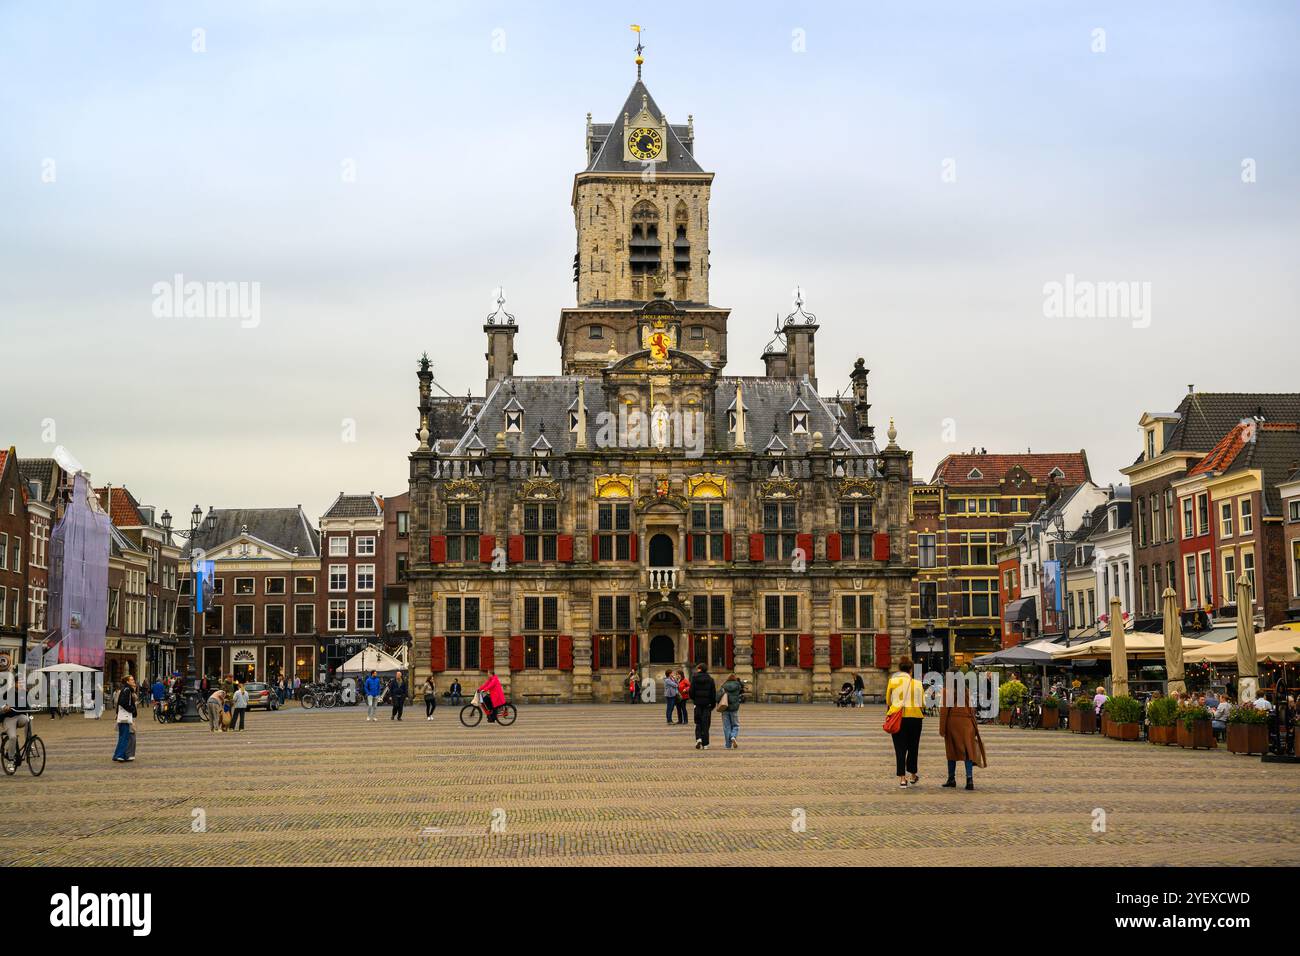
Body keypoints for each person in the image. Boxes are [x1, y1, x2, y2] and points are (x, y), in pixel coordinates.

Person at [939, 679, 986, 790]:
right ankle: (969, 779)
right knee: (968, 751)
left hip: (953, 723)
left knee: (951, 750)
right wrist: (974, 726)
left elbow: (944, 711)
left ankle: (951, 778)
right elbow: (972, 709)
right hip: (967, 723)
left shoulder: (946, 691)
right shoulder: (966, 691)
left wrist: (942, 729)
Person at [886, 657, 924, 788]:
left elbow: (888, 701)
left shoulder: (892, 682)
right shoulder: (918, 684)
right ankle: (913, 775)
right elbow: (922, 704)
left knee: (900, 749)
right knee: (913, 747)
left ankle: (902, 778)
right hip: (915, 718)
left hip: (898, 718)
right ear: (911, 670)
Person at [689, 663, 716, 750]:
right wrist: (712, 704)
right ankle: (705, 744)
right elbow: (713, 693)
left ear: (699, 669)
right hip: (707, 704)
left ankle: (698, 738)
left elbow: (691, 692)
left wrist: (694, 699)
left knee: (698, 722)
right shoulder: (710, 679)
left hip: (698, 704)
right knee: (706, 723)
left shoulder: (694, 678)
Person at [112, 675, 138, 762]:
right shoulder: (127, 690)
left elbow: (120, 702)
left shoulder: (125, 690)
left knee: (122, 736)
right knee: (125, 737)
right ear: (127, 681)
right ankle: (120, 755)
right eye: (131, 679)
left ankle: (116, 755)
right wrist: (132, 709)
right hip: (125, 717)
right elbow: (122, 702)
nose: (133, 680)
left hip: (122, 716)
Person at [719, 671, 744, 749]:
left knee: (726, 726)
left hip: (725, 707)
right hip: (734, 708)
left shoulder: (723, 686)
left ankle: (728, 745)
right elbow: (742, 690)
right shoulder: (738, 685)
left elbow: (718, 697)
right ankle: (733, 736)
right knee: (735, 725)